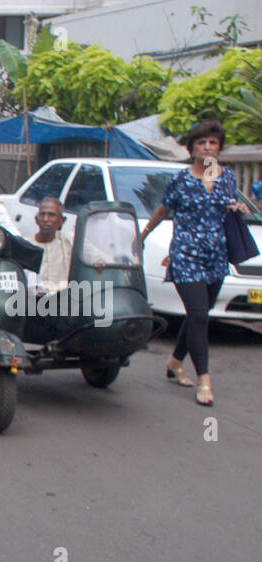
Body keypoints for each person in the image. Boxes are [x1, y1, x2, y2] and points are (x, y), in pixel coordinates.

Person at [140, 118, 244, 407]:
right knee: (199, 314)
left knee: (199, 314)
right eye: (201, 143)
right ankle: (204, 380)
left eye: (212, 142)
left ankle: (175, 361)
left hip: (216, 254)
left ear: (219, 147)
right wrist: (144, 233)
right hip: (187, 254)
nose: (207, 147)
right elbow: (164, 208)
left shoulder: (227, 177)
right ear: (192, 148)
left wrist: (238, 207)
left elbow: (229, 206)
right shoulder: (181, 179)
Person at [25, 196, 71, 294]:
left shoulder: (68, 241)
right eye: (42, 215)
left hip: (64, 300)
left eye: (51, 215)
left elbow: (98, 260)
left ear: (62, 221)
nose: (45, 219)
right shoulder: (26, 245)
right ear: (36, 220)